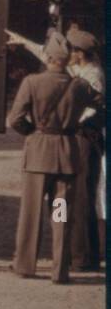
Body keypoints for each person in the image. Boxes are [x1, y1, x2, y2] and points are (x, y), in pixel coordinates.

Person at [7, 34, 100, 283]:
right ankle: (60, 270)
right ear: (67, 58)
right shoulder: (79, 86)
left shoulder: (32, 82)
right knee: (61, 215)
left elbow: (14, 119)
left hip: (38, 154)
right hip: (67, 155)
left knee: (31, 213)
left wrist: (33, 132)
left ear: (48, 57)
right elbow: (100, 101)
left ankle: (25, 265)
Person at [67, 28, 104, 269]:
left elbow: (94, 107)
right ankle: (77, 252)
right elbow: (45, 54)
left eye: (72, 50)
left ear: (80, 53)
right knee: (73, 198)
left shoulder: (93, 76)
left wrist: (68, 121)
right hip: (77, 140)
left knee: (77, 197)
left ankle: (81, 255)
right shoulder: (82, 71)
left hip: (83, 140)